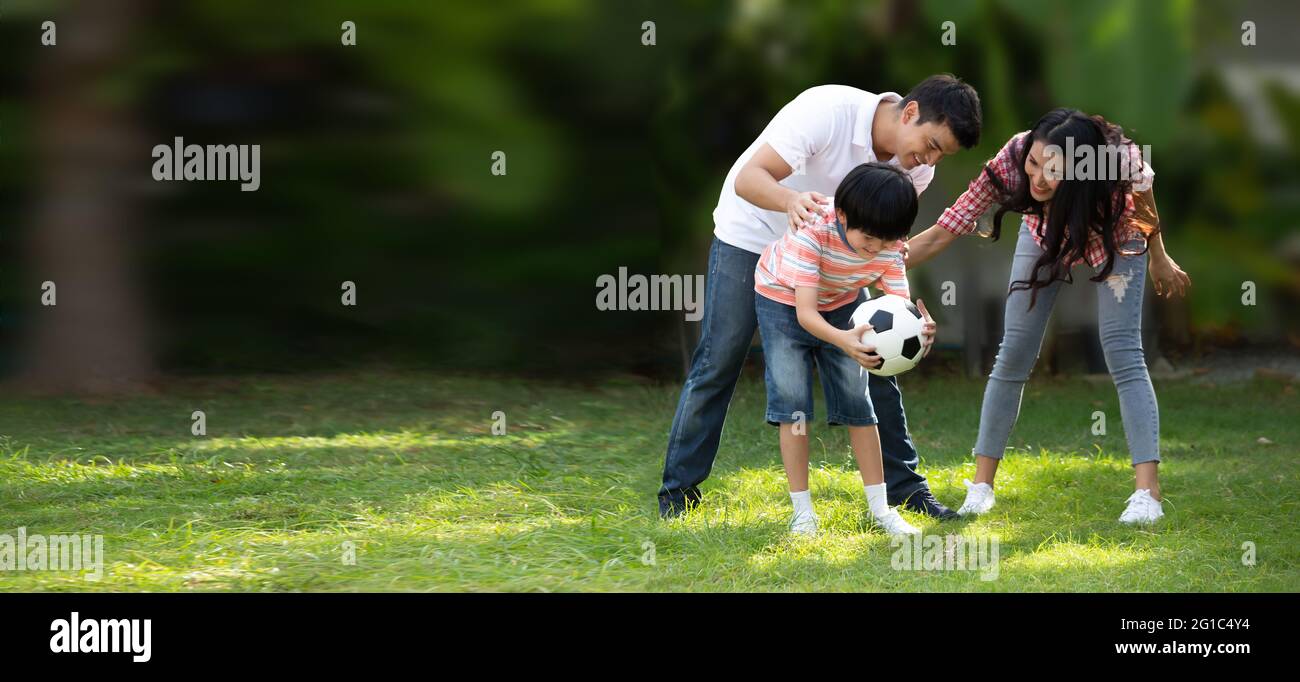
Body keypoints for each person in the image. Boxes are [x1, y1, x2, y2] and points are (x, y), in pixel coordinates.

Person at [658, 74, 983, 519]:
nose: (929, 160)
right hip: (753, 237)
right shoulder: (827, 111)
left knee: (877, 351)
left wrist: (906, 313)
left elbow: (883, 246)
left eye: (940, 154)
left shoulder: (917, 168)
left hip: (832, 261)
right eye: (930, 144)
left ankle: (904, 489)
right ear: (910, 112)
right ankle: (678, 494)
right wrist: (790, 201)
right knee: (721, 358)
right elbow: (749, 179)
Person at [905, 108, 1192, 524]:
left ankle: (1148, 494)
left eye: (1052, 171)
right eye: (1034, 164)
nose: (1037, 178)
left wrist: (1159, 258)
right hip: (1045, 233)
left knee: (1123, 350)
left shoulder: (1116, 161)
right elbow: (945, 230)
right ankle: (981, 487)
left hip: (1117, 232)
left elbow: (1144, 202)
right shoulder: (1014, 156)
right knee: (1015, 350)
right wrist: (877, 268)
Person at [753, 162, 927, 536]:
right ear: (844, 216)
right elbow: (805, 314)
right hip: (783, 300)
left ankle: (881, 510)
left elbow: (898, 309)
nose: (876, 252)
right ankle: (802, 513)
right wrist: (844, 340)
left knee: (859, 402)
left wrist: (920, 329)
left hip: (844, 299)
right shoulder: (812, 231)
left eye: (886, 243)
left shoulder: (890, 246)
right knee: (793, 406)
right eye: (869, 242)